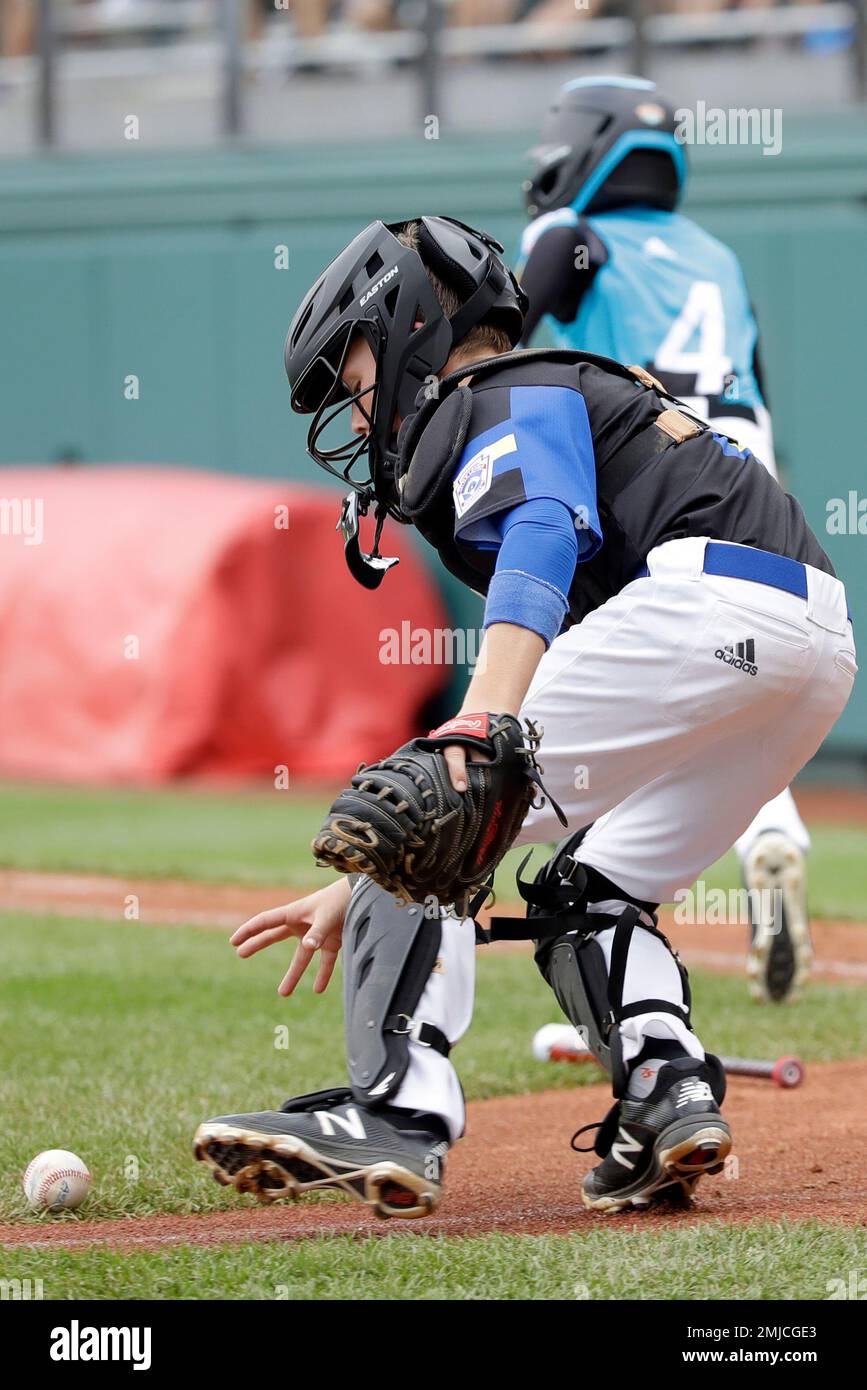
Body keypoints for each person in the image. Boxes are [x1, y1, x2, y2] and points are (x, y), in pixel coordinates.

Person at [193, 215, 855, 1218]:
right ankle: (666, 1092)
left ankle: (397, 1110)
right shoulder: (555, 387)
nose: (355, 399)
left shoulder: (490, 394)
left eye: (355, 364)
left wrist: (472, 741)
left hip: (704, 608)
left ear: (410, 320)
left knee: (439, 797)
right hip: (813, 643)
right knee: (590, 885)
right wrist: (369, 881)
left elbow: (542, 524)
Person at [518, 75, 814, 1003]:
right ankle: (773, 834)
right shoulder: (718, 257)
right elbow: (758, 391)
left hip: (656, 493)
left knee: (604, 714)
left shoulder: (568, 236)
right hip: (755, 503)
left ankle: (604, 956)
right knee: (740, 694)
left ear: (579, 144)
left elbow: (501, 348)